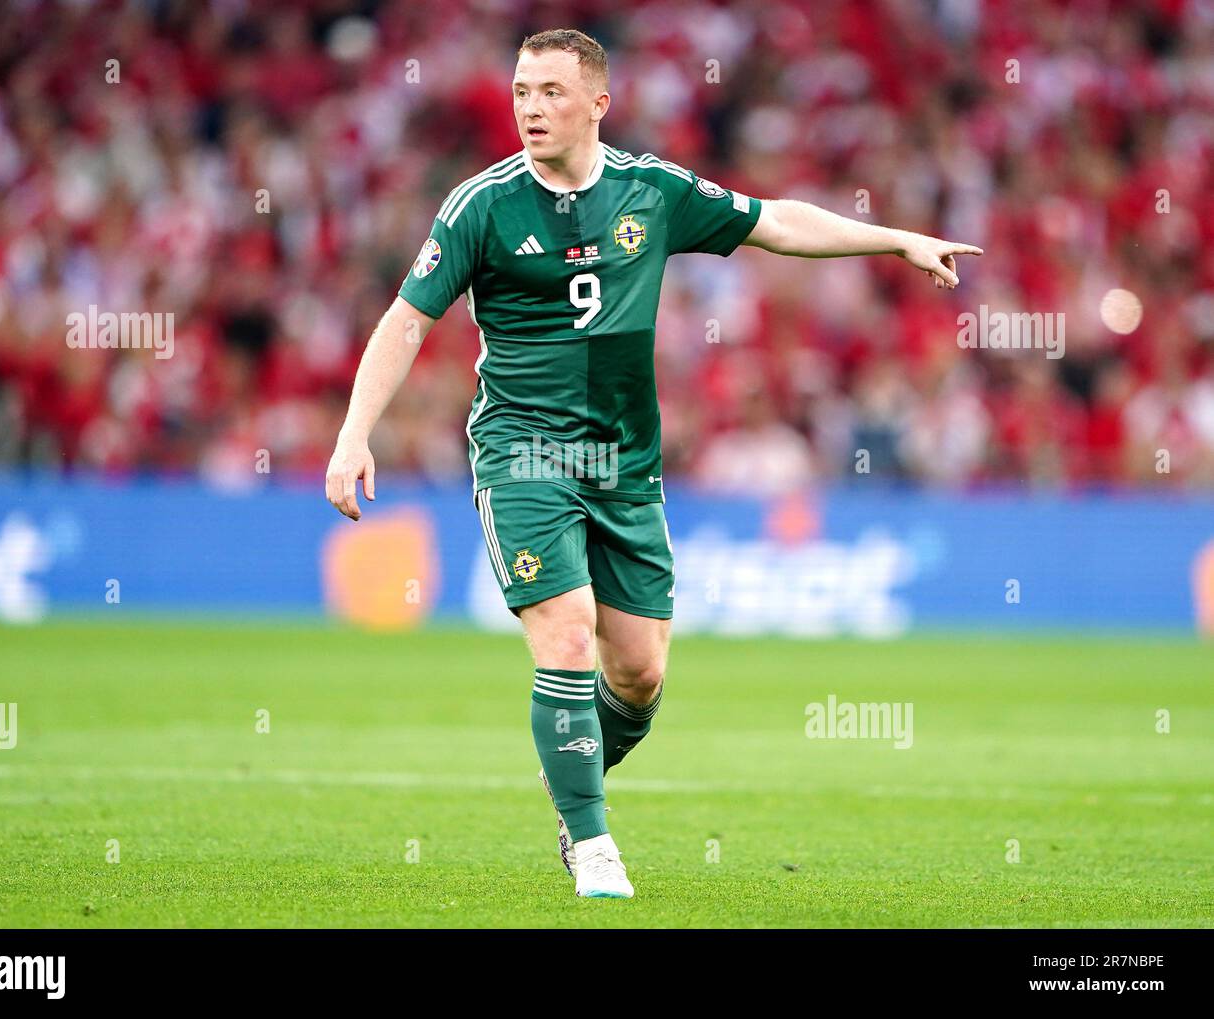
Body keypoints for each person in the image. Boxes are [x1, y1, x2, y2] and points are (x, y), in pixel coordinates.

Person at [324, 28, 982, 898]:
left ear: (598, 102)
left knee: (637, 673)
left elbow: (775, 221)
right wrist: (353, 432)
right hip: (524, 450)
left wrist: (895, 238)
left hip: (624, 464)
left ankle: (573, 785)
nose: (531, 107)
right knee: (563, 635)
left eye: (553, 91)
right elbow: (408, 319)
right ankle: (595, 850)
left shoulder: (653, 192)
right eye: (522, 90)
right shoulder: (480, 205)